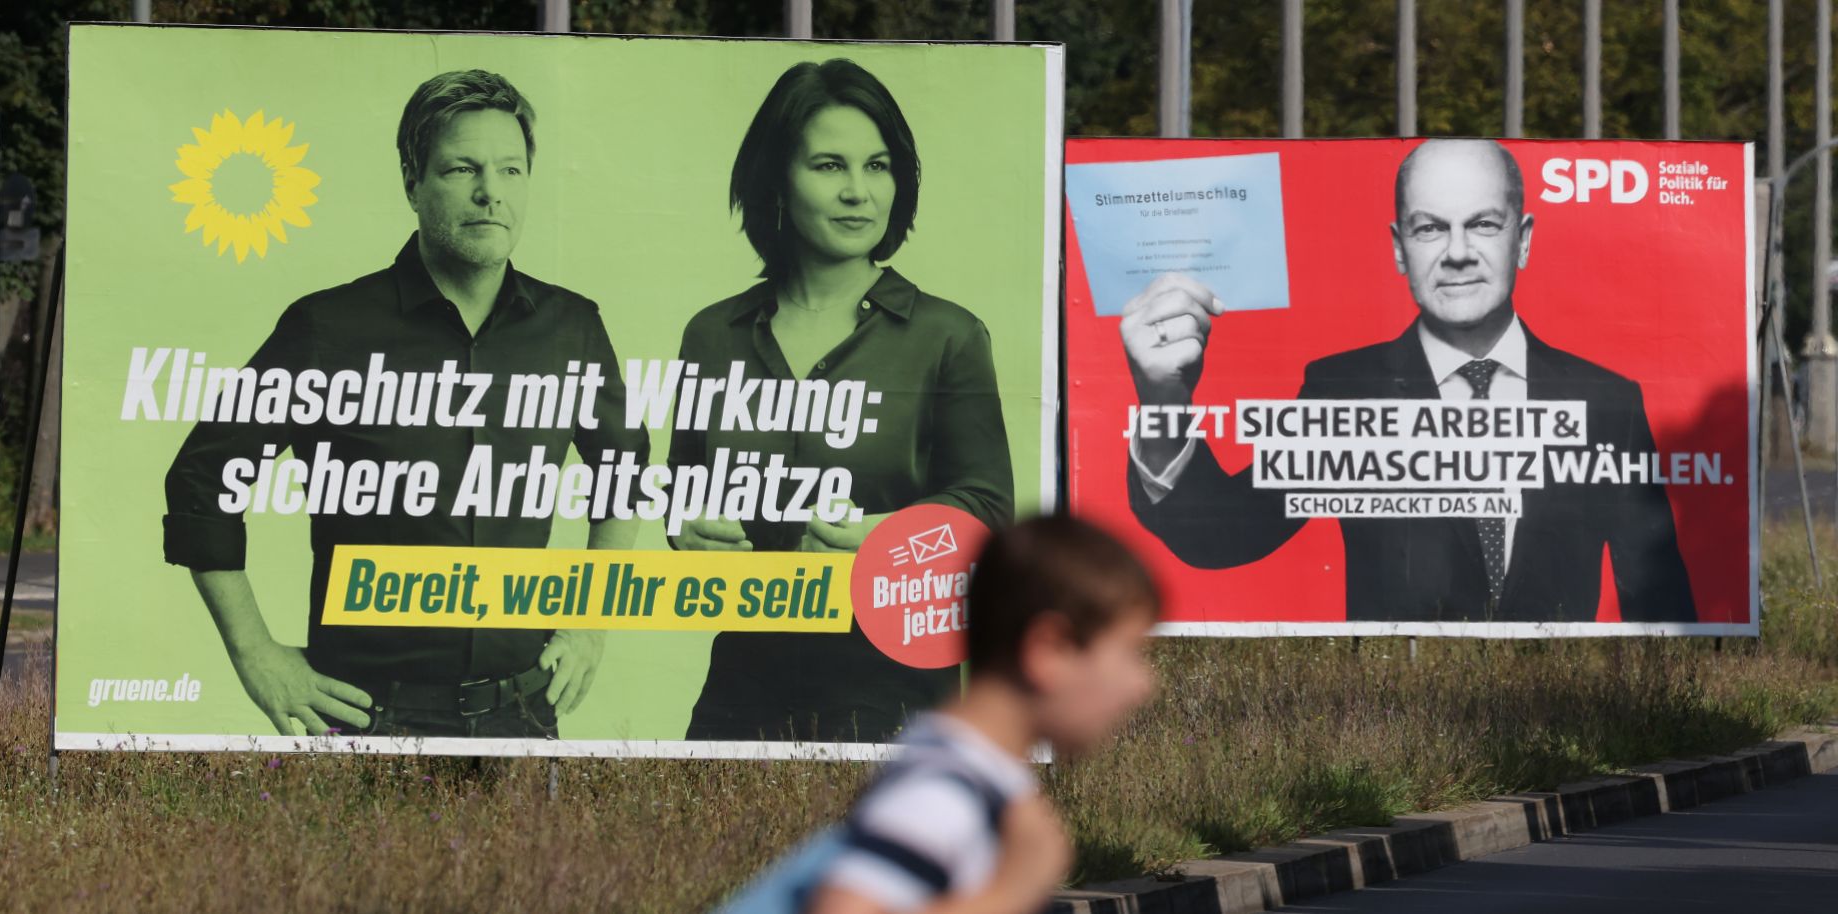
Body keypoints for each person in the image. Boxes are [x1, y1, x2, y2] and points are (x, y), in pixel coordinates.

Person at [162, 70, 647, 738]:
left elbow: (625, 475)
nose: (490, 193)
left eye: (511, 170)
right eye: (461, 169)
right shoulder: (327, 329)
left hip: (525, 715)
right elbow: (202, 480)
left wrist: (591, 626)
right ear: (412, 181)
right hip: (368, 716)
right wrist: (256, 655)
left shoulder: (573, 327)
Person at [1123, 138, 1695, 623]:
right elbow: (1223, 536)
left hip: (1565, 713)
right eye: (1429, 230)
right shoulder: (1345, 388)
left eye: (1483, 224)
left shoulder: (1606, 401)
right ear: (1400, 249)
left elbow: (1661, 601)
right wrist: (1162, 401)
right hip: (1400, 716)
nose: (1458, 253)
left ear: (1522, 239)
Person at [670, 59, 1015, 741]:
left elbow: (987, 507)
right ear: (777, 181)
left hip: (899, 700)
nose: (859, 192)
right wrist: (688, 527)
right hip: (739, 693)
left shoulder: (948, 335)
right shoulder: (713, 335)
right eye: (829, 166)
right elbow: (685, 489)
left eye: (877, 166)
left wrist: (881, 538)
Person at [713, 514, 1161, 914]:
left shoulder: (961, 773)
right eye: (1130, 653)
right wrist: (1011, 891)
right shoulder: (945, 791)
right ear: (1049, 650)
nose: (1144, 685)